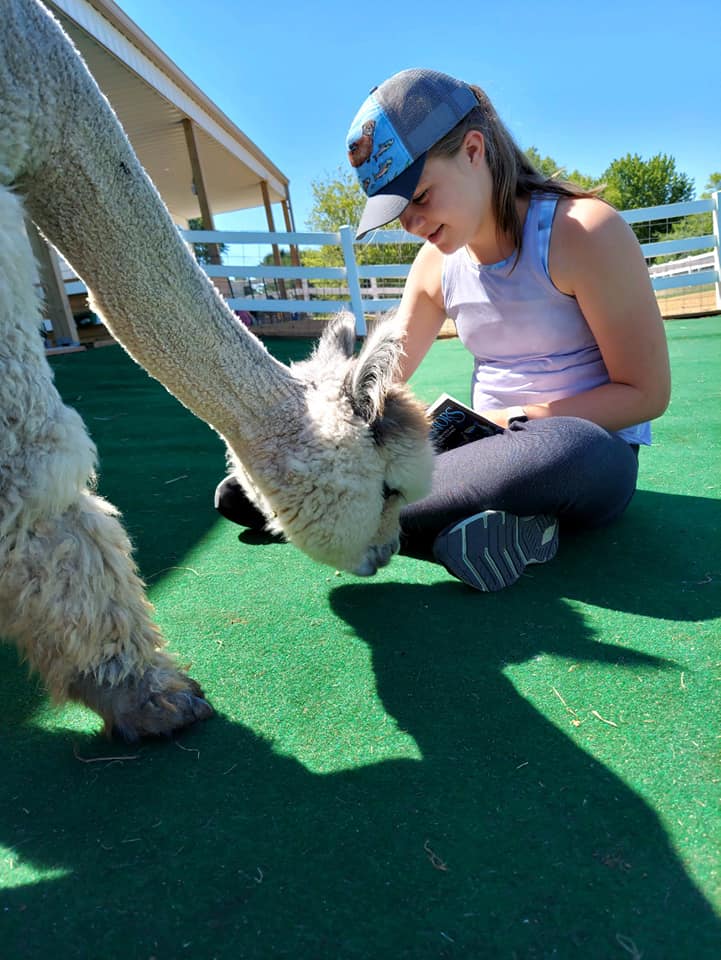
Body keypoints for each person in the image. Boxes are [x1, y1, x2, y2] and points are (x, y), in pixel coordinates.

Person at [216, 68, 670, 592]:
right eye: (395, 210)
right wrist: (317, 438)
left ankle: (336, 518)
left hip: (587, 457)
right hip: (480, 450)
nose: (410, 223)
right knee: (240, 494)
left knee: (563, 448)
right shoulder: (435, 265)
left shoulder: (583, 232)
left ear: (474, 150)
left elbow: (646, 393)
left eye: (421, 196)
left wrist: (511, 419)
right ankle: (500, 530)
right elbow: (382, 379)